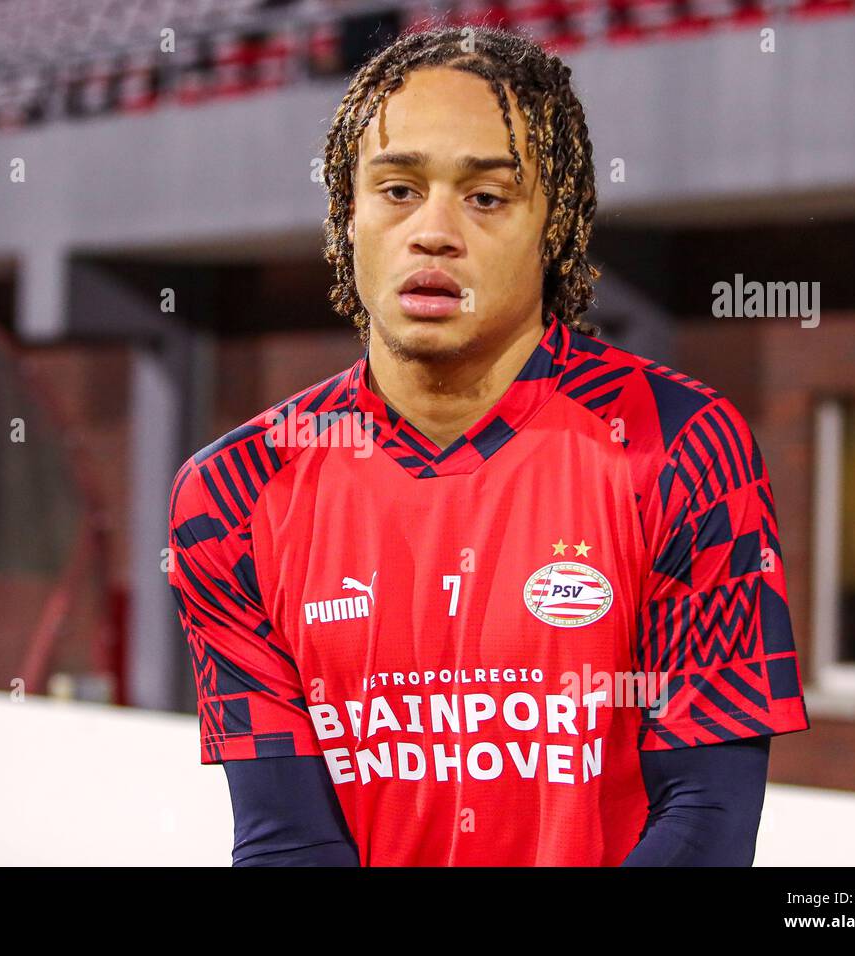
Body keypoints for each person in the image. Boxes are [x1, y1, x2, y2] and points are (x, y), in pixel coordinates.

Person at [167, 24, 809, 866]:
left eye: (487, 197)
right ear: (346, 215)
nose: (433, 232)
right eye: (397, 189)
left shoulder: (681, 445)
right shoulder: (232, 495)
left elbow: (706, 822)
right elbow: (287, 839)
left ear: (555, 226)